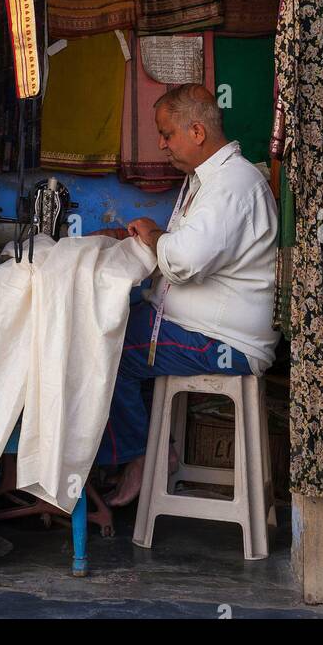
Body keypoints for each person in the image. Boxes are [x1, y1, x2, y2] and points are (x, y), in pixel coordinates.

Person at [98, 83, 279, 508]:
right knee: (114, 331)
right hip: (201, 326)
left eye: (167, 134)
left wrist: (155, 235)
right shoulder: (209, 180)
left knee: (105, 348)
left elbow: (184, 260)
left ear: (197, 131)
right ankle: (151, 446)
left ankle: (143, 455)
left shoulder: (232, 184)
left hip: (226, 340)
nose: (162, 144)